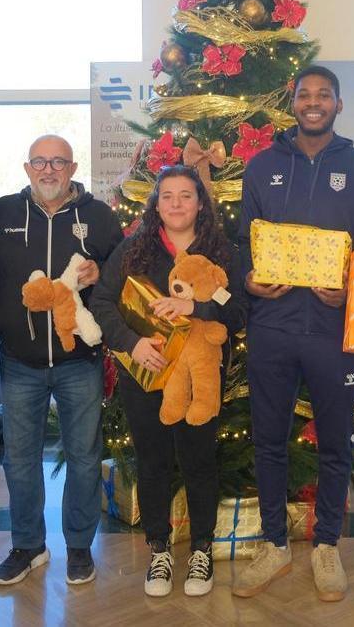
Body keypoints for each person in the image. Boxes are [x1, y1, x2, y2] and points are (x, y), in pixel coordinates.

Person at [231, 65, 354, 602]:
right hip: (272, 329)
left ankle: (326, 546)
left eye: (324, 95)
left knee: (335, 444)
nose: (314, 102)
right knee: (269, 440)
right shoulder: (262, 166)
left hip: (333, 331)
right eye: (305, 95)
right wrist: (250, 280)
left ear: (339, 106)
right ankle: (274, 543)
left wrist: (352, 292)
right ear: (293, 103)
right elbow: (239, 248)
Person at [88, 164, 247, 598]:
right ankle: (159, 549)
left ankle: (201, 550)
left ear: (201, 203)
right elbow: (102, 301)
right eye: (168, 196)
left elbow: (237, 311)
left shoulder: (222, 252)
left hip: (198, 381)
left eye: (186, 195)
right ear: (156, 204)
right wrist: (132, 343)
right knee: (153, 462)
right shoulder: (134, 248)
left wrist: (196, 311)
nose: (176, 204)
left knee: (199, 463)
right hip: (145, 376)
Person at [0, 135, 124, 586]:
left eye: (58, 162)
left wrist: (102, 272)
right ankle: (28, 547)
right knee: (20, 460)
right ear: (27, 168)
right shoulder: (0, 213)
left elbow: (122, 276)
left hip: (79, 361)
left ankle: (79, 548)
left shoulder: (98, 216)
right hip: (19, 363)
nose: (49, 170)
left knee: (84, 457)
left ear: (72, 167)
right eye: (40, 162)